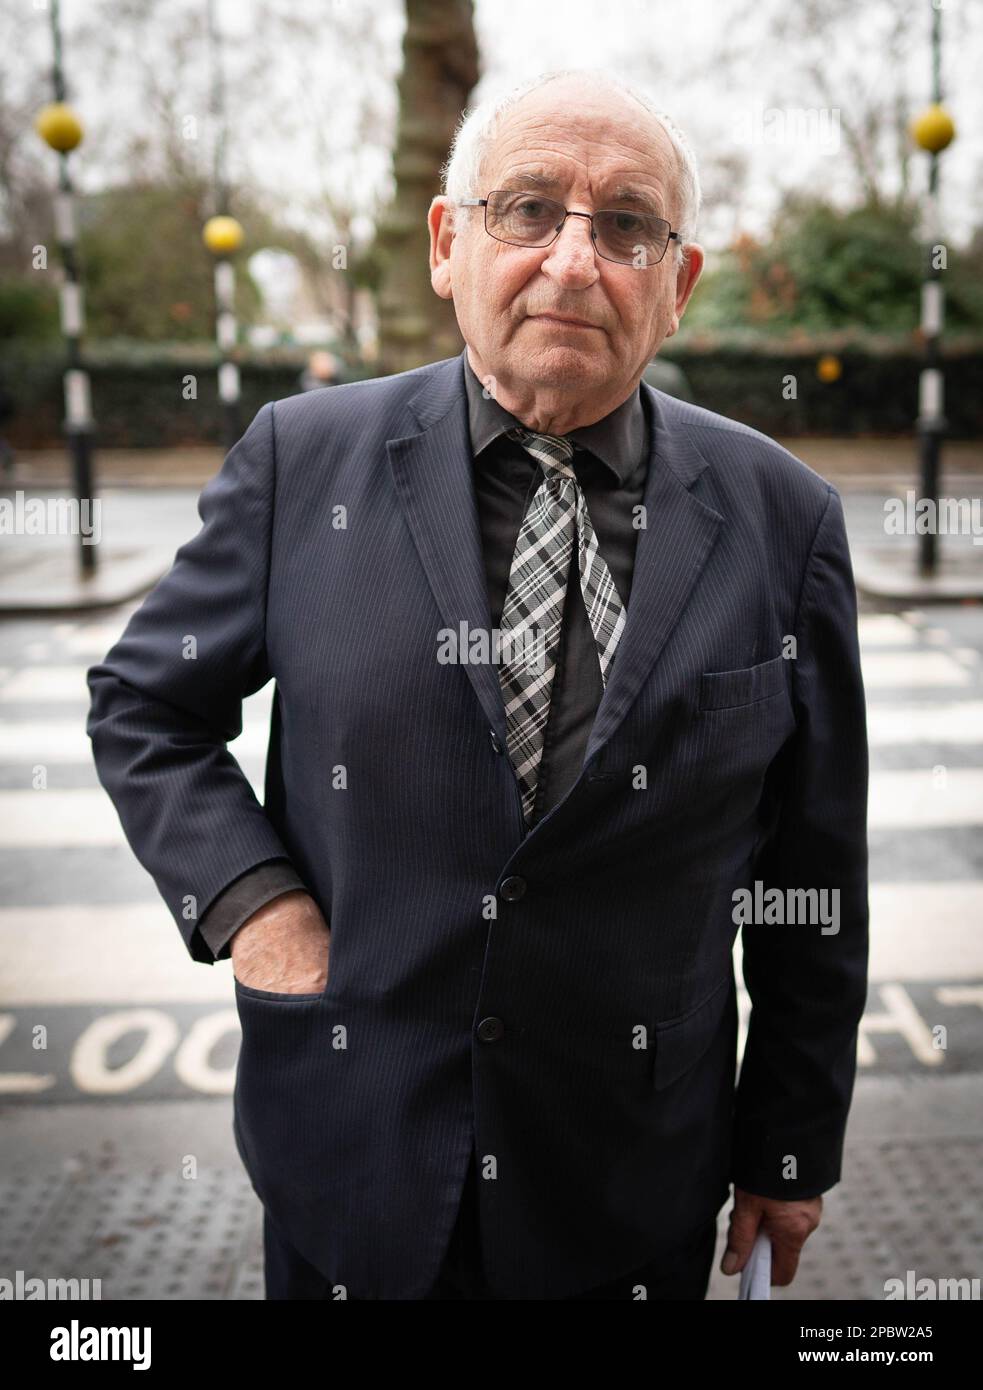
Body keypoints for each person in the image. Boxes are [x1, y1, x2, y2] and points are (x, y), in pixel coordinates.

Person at [86, 69, 869, 1301]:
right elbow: (145, 705)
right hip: (353, 1156)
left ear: (677, 283)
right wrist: (257, 909)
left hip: (629, 1184)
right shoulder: (305, 462)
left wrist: (787, 1144)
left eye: (626, 226)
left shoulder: (783, 517)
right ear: (448, 244)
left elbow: (812, 869)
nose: (572, 261)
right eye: (527, 210)